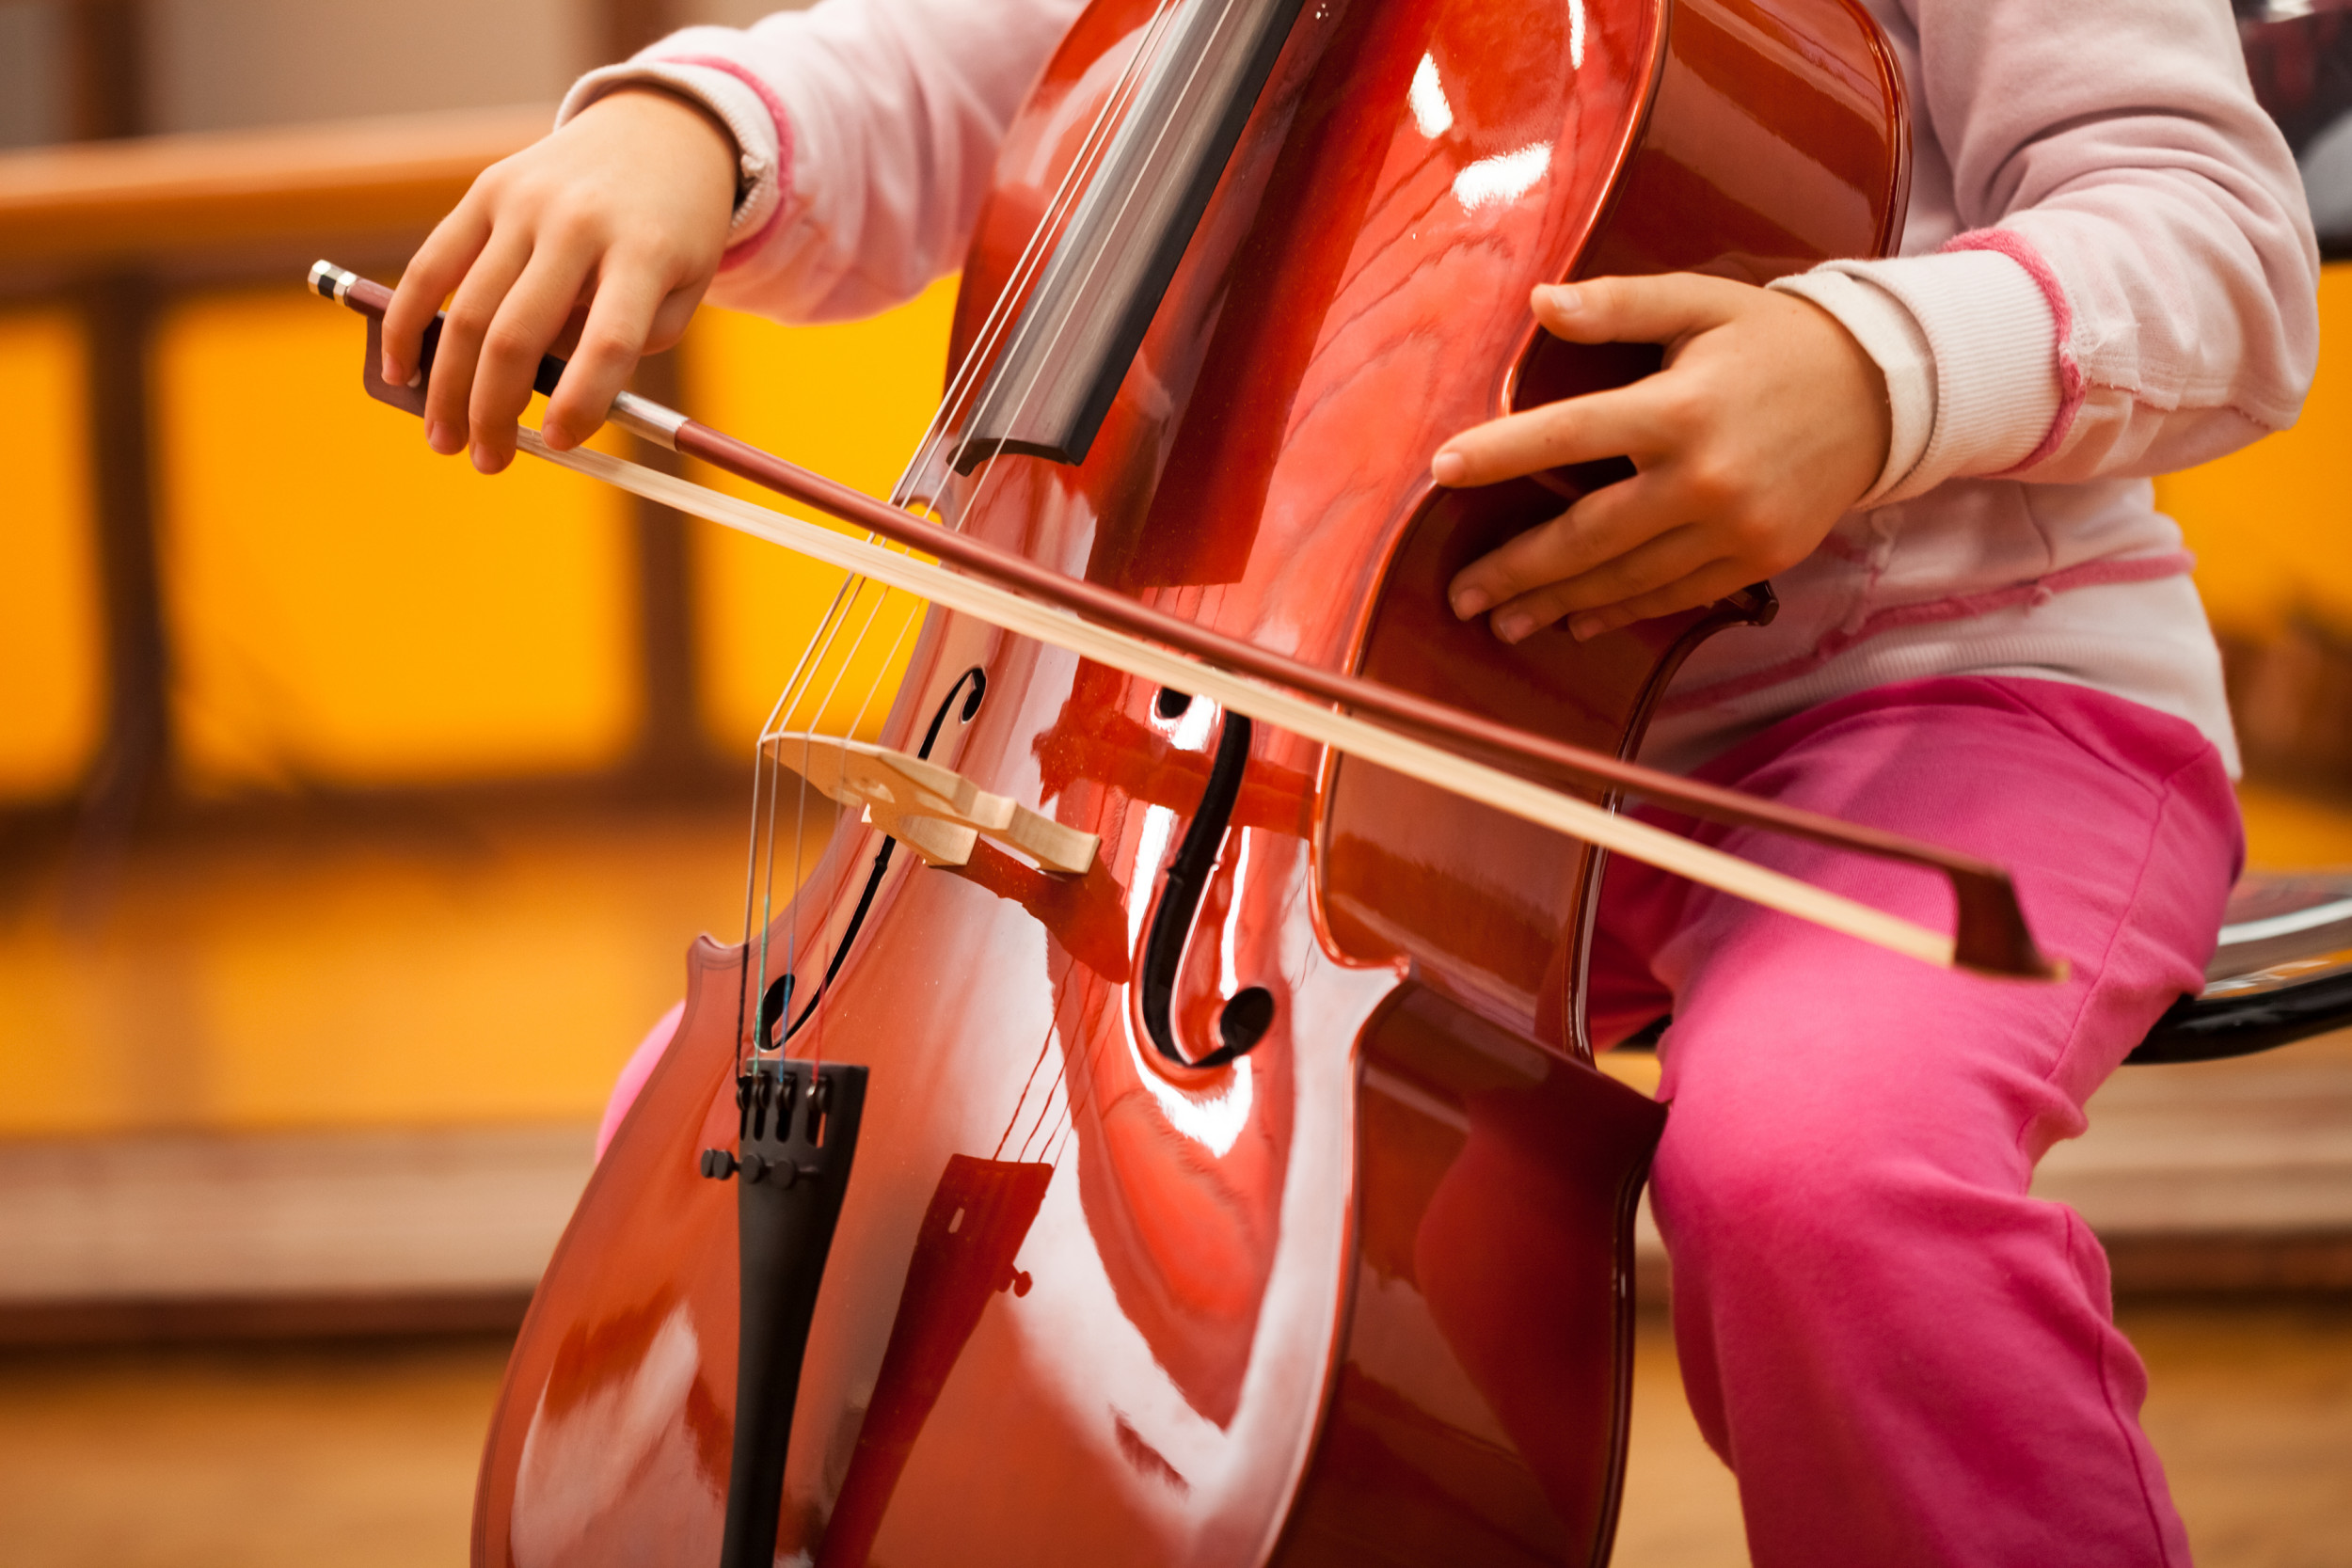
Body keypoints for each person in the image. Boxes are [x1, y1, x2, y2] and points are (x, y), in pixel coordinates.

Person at [383, 1, 2320, 1562]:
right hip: (1361, 759)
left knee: (1820, 1175)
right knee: (727, 1132)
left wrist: (1873, 362)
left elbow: (2212, 243)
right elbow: (937, 62)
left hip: (1924, 723)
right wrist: (691, 129)